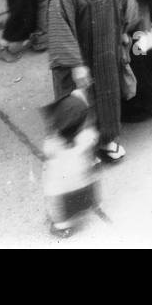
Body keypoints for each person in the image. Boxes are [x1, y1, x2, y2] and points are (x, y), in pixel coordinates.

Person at [49, 0, 145, 162]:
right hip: (80, 50)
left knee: (109, 92)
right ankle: (84, 149)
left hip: (108, 44)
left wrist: (124, 29)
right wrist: (75, 64)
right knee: (82, 99)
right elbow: (59, 24)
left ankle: (108, 139)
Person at [40, 92, 100, 238]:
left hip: (59, 184)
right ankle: (76, 213)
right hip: (80, 178)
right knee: (78, 199)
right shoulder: (86, 136)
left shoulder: (54, 141)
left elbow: (47, 152)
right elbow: (92, 139)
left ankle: (61, 226)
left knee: (60, 206)